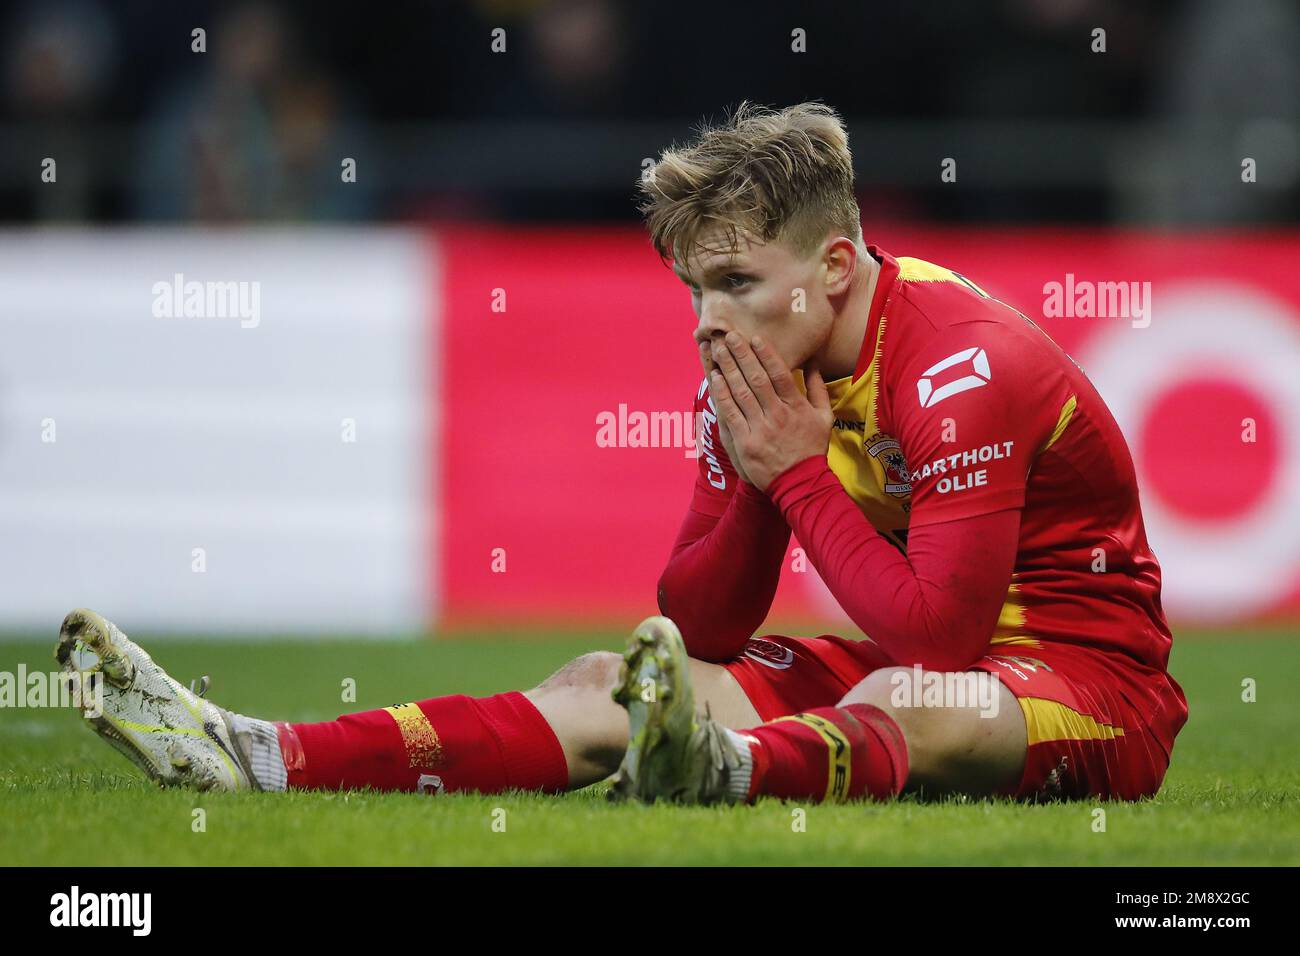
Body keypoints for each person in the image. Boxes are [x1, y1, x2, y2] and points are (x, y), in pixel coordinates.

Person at [59, 101, 1186, 803]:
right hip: (917, 665)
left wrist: (796, 472)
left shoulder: (960, 364)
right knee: (617, 679)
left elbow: (939, 636)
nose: (707, 319)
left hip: (1092, 687)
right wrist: (759, 475)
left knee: (912, 691)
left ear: (834, 267)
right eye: (697, 289)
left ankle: (724, 770)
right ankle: (257, 751)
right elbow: (701, 631)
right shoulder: (762, 368)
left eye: (736, 282)